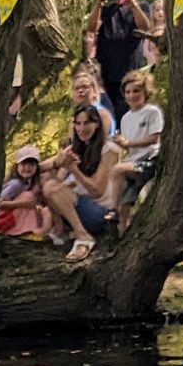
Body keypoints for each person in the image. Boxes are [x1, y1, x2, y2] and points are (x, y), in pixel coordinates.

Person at [38, 105, 123, 261]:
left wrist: (73, 169)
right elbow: (44, 166)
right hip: (78, 207)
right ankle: (60, 230)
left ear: (96, 124)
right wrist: (22, 168)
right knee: (45, 180)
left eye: (87, 123)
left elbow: (97, 191)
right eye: (78, 123)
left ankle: (83, 237)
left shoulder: (109, 149)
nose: (82, 128)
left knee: (52, 188)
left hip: (100, 213)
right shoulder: (76, 147)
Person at [88, 0, 156, 122]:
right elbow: (91, 29)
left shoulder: (141, 5)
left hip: (130, 72)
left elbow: (145, 27)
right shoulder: (106, 9)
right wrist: (97, 5)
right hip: (106, 72)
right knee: (108, 115)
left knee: (128, 114)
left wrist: (132, 3)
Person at [109, 69, 163, 221]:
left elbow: (154, 138)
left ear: (145, 92)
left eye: (136, 91)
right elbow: (128, 146)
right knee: (125, 205)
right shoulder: (125, 118)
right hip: (132, 161)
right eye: (128, 92)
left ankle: (112, 209)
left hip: (149, 159)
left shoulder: (152, 112)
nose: (132, 95)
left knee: (117, 170)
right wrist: (120, 143)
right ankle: (121, 226)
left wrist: (128, 143)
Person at [0, 145, 52, 240]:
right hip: (4, 216)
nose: (27, 168)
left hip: (19, 211)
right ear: (17, 166)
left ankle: (40, 232)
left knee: (47, 211)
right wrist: (21, 203)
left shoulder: (30, 180)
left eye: (32, 165)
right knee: (27, 196)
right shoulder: (15, 184)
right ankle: (21, 231)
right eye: (24, 164)